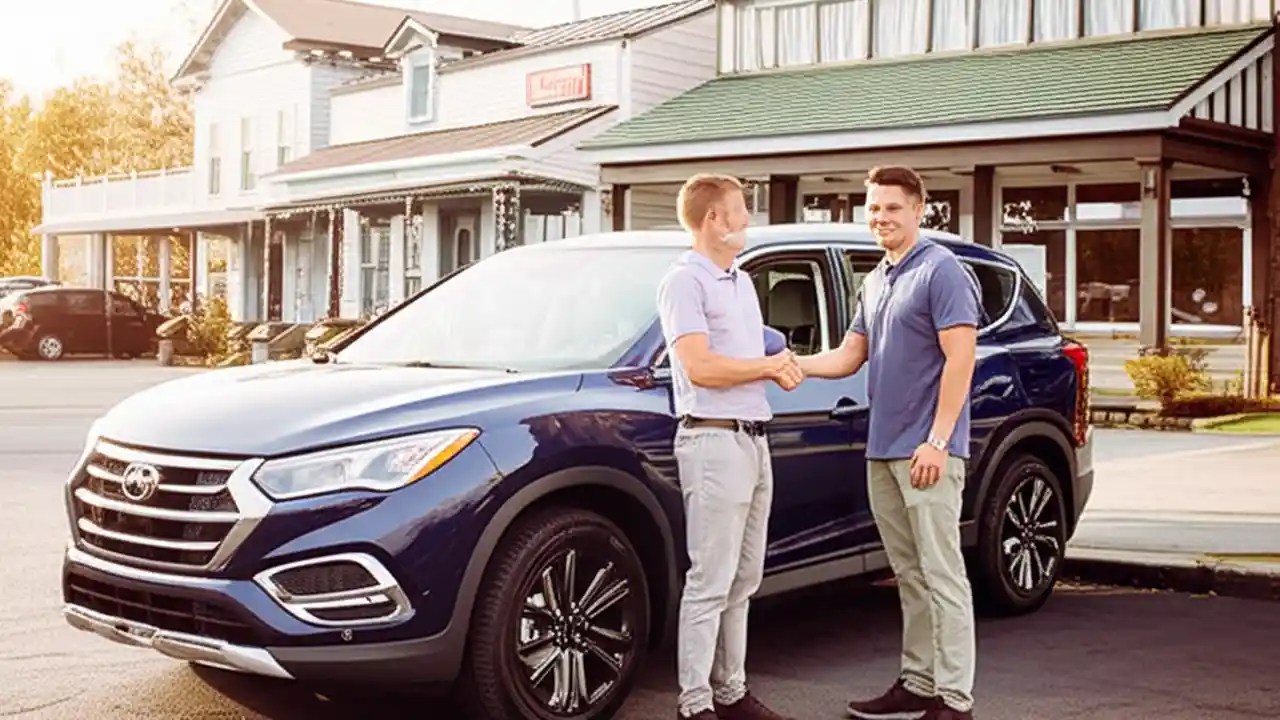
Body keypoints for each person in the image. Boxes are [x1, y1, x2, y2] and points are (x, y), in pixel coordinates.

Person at [793, 166, 982, 720]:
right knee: (909, 574)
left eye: (892, 208)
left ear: (920, 209)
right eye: (873, 208)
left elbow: (961, 358)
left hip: (928, 452)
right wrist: (785, 366)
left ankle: (955, 699)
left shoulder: (941, 270)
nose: (880, 217)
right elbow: (849, 356)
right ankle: (918, 682)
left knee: (943, 573)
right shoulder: (875, 279)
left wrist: (938, 440)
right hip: (883, 450)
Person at [656, 172, 802, 720]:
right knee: (709, 580)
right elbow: (698, 365)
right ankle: (694, 704)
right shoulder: (683, 282)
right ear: (714, 220)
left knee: (744, 579)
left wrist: (784, 364)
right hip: (712, 442)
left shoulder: (739, 281)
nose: (747, 220)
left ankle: (731, 691)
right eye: (741, 210)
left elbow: (751, 352)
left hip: (753, 440)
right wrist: (766, 366)